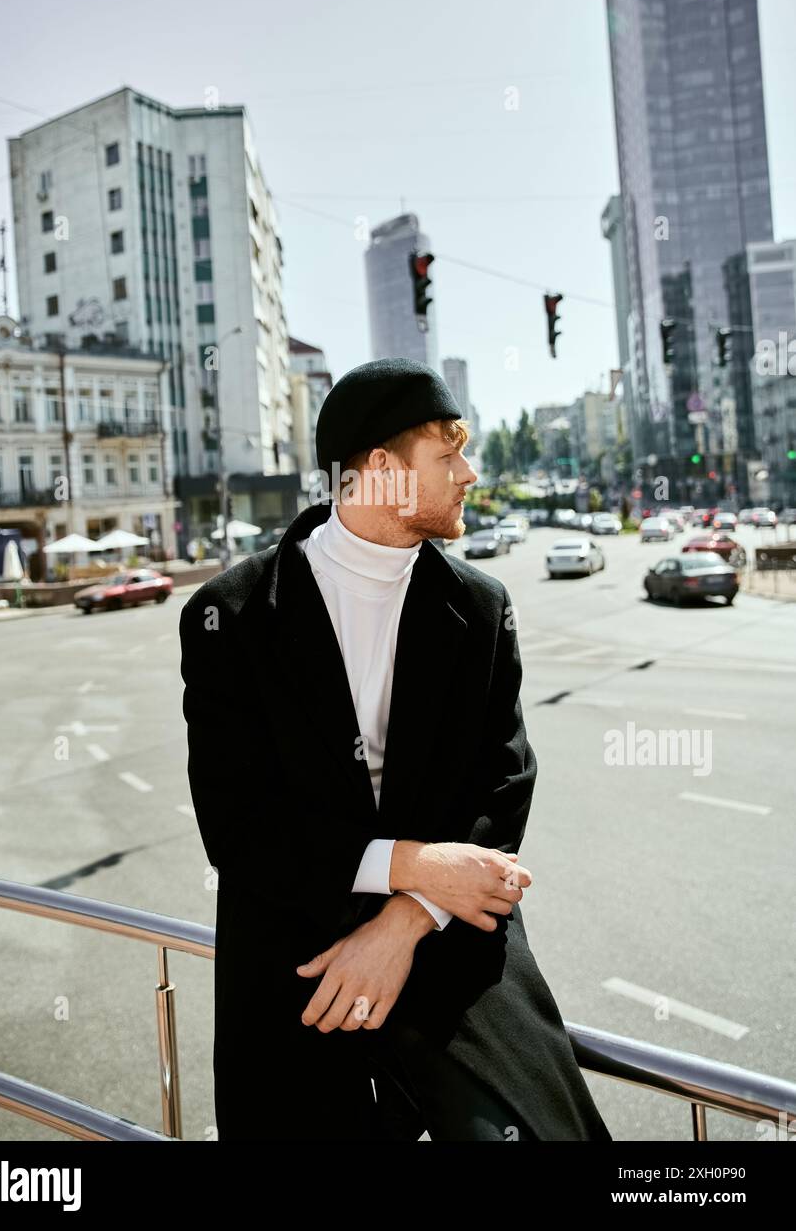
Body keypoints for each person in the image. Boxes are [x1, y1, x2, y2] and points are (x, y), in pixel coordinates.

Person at [179, 357, 612, 1142]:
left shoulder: (480, 608)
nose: (471, 474)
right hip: (298, 960)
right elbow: (239, 827)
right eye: (448, 456)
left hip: (451, 940)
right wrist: (412, 864)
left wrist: (409, 915)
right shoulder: (232, 617)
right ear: (380, 470)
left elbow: (504, 785)